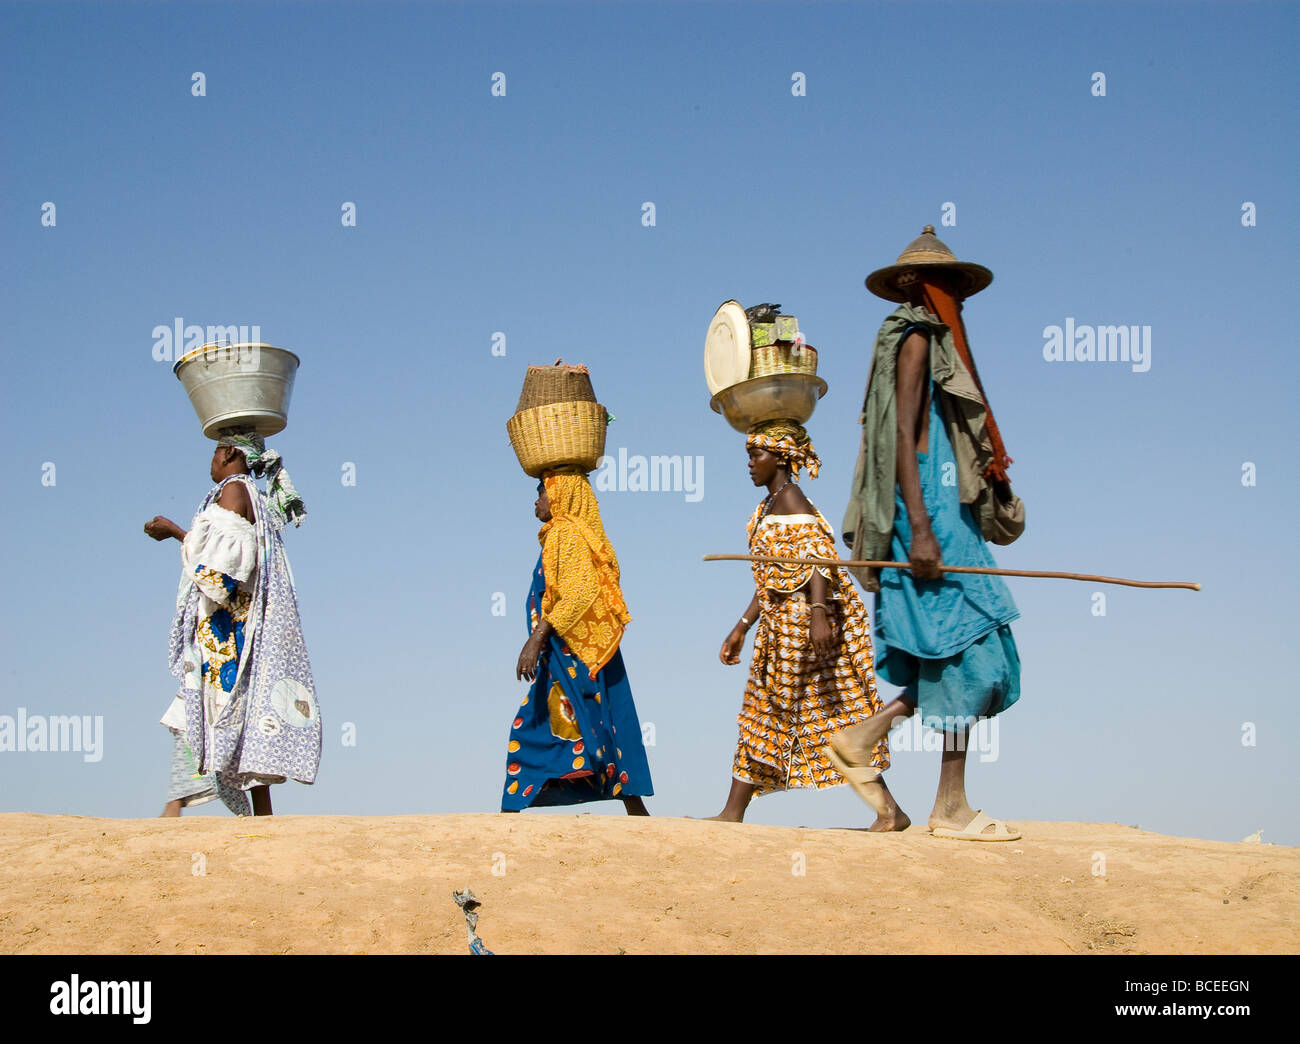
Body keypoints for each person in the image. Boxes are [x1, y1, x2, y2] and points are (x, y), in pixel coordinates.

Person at [835, 226, 1026, 841]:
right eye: (949, 287)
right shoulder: (916, 339)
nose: (958, 300)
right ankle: (950, 807)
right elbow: (900, 443)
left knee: (958, 654)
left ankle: (864, 738)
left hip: (947, 516)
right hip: (930, 518)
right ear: (922, 287)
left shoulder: (936, 343)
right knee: (974, 654)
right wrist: (920, 529)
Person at [707, 420, 905, 827]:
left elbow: (818, 561)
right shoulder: (769, 504)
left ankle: (888, 811)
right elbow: (774, 574)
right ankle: (735, 810)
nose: (749, 464)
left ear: (781, 458)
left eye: (756, 455)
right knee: (775, 711)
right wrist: (743, 626)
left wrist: (818, 615)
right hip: (780, 625)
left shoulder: (792, 501)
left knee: (787, 712)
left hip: (803, 627)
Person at [145, 432, 319, 817]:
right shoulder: (246, 493)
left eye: (214, 453)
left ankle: (171, 814)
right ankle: (259, 819)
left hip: (225, 639)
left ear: (230, 453)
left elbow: (221, 576)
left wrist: (175, 533)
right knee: (233, 719)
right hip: (231, 635)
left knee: (206, 715)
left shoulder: (235, 491)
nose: (210, 462)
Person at [501, 468, 653, 814]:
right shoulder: (569, 534)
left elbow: (579, 592)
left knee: (535, 725)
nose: (536, 501)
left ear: (560, 496)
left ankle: (509, 813)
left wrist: (536, 640)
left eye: (542, 492)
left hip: (571, 653)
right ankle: (635, 808)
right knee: (598, 724)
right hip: (573, 653)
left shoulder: (565, 534)